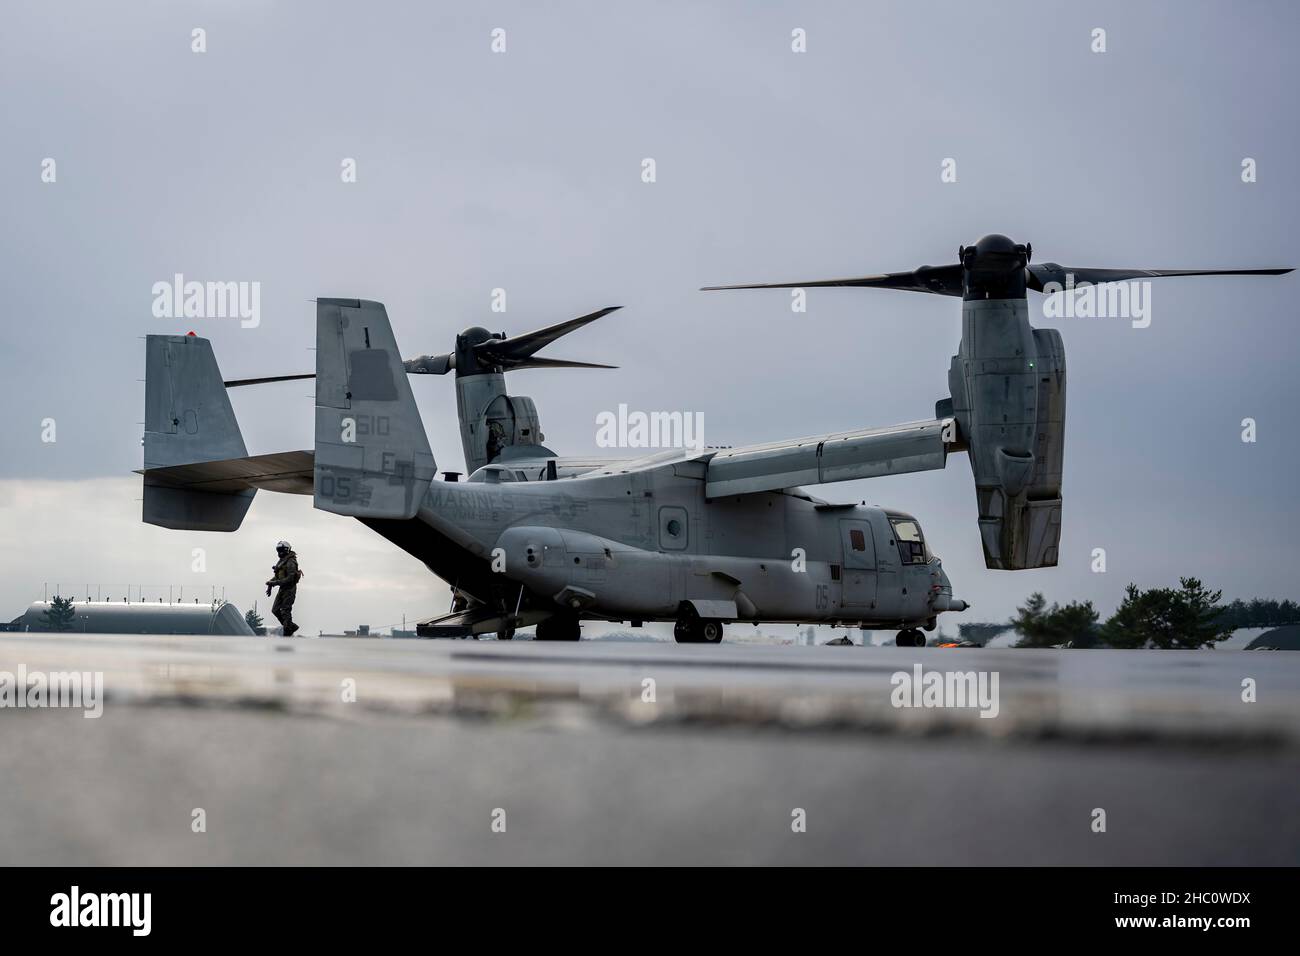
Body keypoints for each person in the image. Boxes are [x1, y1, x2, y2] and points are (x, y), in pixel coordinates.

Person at [266, 540, 301, 636]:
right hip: (282, 588)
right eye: (278, 550)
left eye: (282, 550)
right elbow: (278, 576)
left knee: (286, 610)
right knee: (275, 610)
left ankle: (287, 630)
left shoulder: (291, 562)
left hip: (289, 589)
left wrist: (274, 583)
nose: (280, 552)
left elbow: (290, 578)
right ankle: (290, 626)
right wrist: (270, 584)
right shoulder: (282, 561)